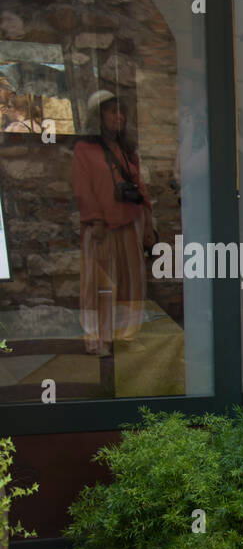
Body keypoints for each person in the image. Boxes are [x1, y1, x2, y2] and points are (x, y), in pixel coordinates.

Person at [72, 90, 156, 355]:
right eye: (111, 111)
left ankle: (125, 335)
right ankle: (99, 338)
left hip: (130, 223)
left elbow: (140, 186)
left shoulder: (127, 150)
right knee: (99, 284)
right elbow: (82, 188)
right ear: (98, 116)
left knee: (132, 282)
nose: (118, 117)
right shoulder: (84, 149)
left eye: (121, 112)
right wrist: (95, 219)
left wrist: (148, 223)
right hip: (101, 228)